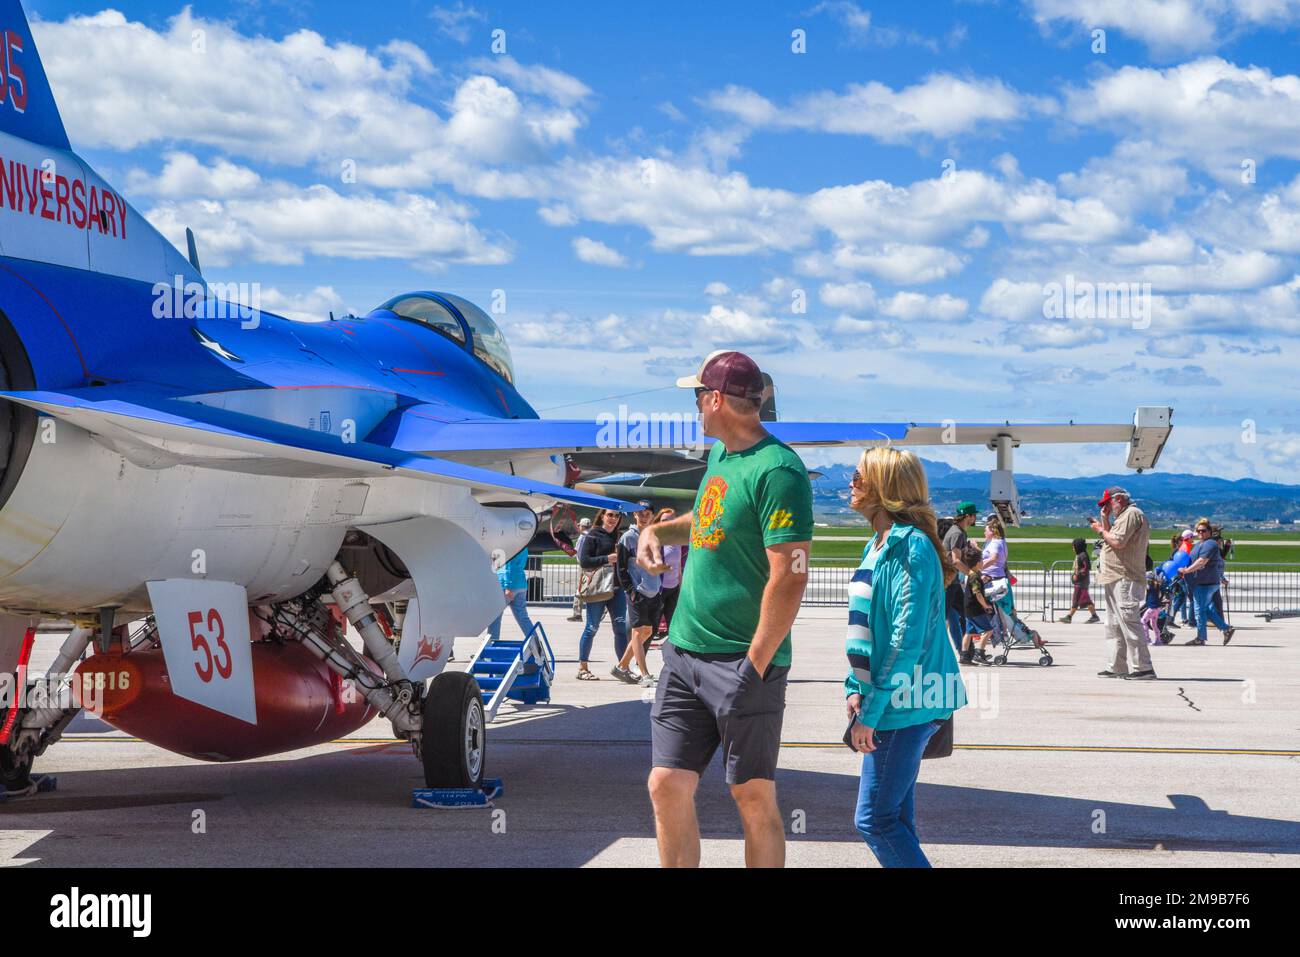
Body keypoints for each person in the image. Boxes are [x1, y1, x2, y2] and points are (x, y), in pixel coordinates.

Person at [637, 350, 812, 868]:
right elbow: (708, 519)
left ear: (715, 400)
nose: (694, 405)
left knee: (752, 797)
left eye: (696, 395)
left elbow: (791, 576)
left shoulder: (778, 470)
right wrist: (656, 529)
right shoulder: (722, 457)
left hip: (743, 661)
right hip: (684, 656)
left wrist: (755, 665)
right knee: (666, 784)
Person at [843, 447, 966, 868]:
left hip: (906, 702)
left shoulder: (910, 548)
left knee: (874, 820)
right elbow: (864, 627)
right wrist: (854, 687)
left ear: (884, 487)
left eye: (859, 476)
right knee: (895, 818)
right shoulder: (877, 544)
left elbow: (905, 640)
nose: (851, 481)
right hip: (890, 698)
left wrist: (872, 711)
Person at [1091, 487, 1154, 680]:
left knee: (1129, 622)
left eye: (1108, 503)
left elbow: (1117, 541)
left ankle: (1143, 667)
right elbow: (1113, 539)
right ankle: (1117, 665)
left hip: (1125, 577)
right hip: (1114, 576)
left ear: (1118, 499)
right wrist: (1105, 520)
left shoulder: (1131, 514)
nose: (1108, 507)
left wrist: (1101, 530)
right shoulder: (1123, 516)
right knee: (1113, 625)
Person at [611, 501, 661, 686]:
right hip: (638, 592)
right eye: (640, 513)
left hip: (654, 591)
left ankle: (621, 666)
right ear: (634, 515)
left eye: (647, 513)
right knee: (638, 632)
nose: (644, 516)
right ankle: (644, 674)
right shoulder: (628, 538)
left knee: (648, 631)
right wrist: (631, 591)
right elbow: (621, 568)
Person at [575, 509, 628, 680]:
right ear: (602, 516)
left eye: (617, 516)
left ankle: (623, 667)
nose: (613, 518)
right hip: (599, 589)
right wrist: (607, 558)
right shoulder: (593, 535)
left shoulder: (620, 536)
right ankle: (583, 668)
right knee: (591, 628)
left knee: (620, 629)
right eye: (610, 515)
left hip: (617, 589)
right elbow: (584, 561)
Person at [1178, 517, 1236, 646]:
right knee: (1206, 609)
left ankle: (1200, 638)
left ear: (1209, 532)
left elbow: (1201, 561)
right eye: (1198, 531)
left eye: (1203, 531)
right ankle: (1226, 629)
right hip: (1202, 582)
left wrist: (1187, 571)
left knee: (1199, 610)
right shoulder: (1199, 544)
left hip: (1204, 583)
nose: (1200, 533)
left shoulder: (1209, 544)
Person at [942, 502, 979, 651]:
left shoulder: (960, 532)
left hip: (953, 582)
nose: (975, 517)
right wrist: (972, 574)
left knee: (965, 616)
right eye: (974, 515)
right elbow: (956, 560)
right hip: (948, 583)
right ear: (967, 516)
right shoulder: (957, 533)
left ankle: (968, 652)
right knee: (940, 620)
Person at [486, 548, 536, 643]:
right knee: (523, 617)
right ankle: (536, 644)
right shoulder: (523, 547)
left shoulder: (509, 547)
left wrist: (508, 586)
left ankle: (490, 646)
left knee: (495, 618)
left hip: (507, 585)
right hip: (520, 583)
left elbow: (509, 566)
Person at [959, 544, 995, 665]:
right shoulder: (974, 576)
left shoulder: (973, 574)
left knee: (969, 632)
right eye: (981, 560)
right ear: (977, 563)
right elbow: (977, 593)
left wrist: (982, 580)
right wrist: (986, 605)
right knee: (989, 630)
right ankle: (979, 653)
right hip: (975, 608)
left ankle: (964, 656)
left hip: (968, 608)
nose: (983, 562)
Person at [654, 508, 684, 641]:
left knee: (674, 626)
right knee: (652, 628)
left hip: (674, 589)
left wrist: (681, 588)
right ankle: (639, 658)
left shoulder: (678, 540)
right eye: (664, 520)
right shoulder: (655, 539)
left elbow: (678, 566)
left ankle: (673, 658)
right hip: (659, 589)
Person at [979, 515, 1014, 617]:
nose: (984, 533)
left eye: (986, 530)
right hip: (997, 576)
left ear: (992, 531)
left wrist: (979, 567)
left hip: (992, 578)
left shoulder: (995, 543)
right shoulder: (1000, 541)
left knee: (991, 608)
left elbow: (994, 558)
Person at [1060, 537, 1100, 623]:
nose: (1073, 548)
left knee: (1077, 599)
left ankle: (1069, 617)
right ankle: (1094, 616)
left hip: (1081, 583)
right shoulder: (1080, 555)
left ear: (1078, 547)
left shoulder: (1083, 556)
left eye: (1074, 547)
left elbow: (1086, 568)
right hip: (1080, 582)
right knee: (1083, 599)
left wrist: (1077, 575)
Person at [567, 516, 593, 622]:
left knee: (580, 589)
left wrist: (567, 550)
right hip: (591, 565)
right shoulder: (592, 536)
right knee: (592, 589)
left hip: (583, 566)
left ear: (582, 527)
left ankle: (577, 613)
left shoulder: (582, 537)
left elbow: (575, 552)